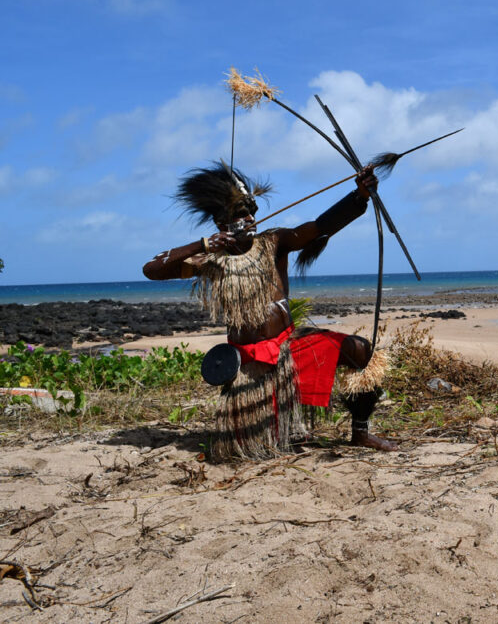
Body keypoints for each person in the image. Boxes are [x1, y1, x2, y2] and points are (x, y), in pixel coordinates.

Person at [143, 160, 396, 460]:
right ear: (222, 223)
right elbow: (152, 269)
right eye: (241, 213)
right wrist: (204, 244)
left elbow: (319, 227)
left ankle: (361, 433)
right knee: (259, 448)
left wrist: (359, 196)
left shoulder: (274, 242)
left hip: (290, 349)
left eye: (252, 212)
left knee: (360, 350)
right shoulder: (211, 261)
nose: (250, 218)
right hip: (250, 365)